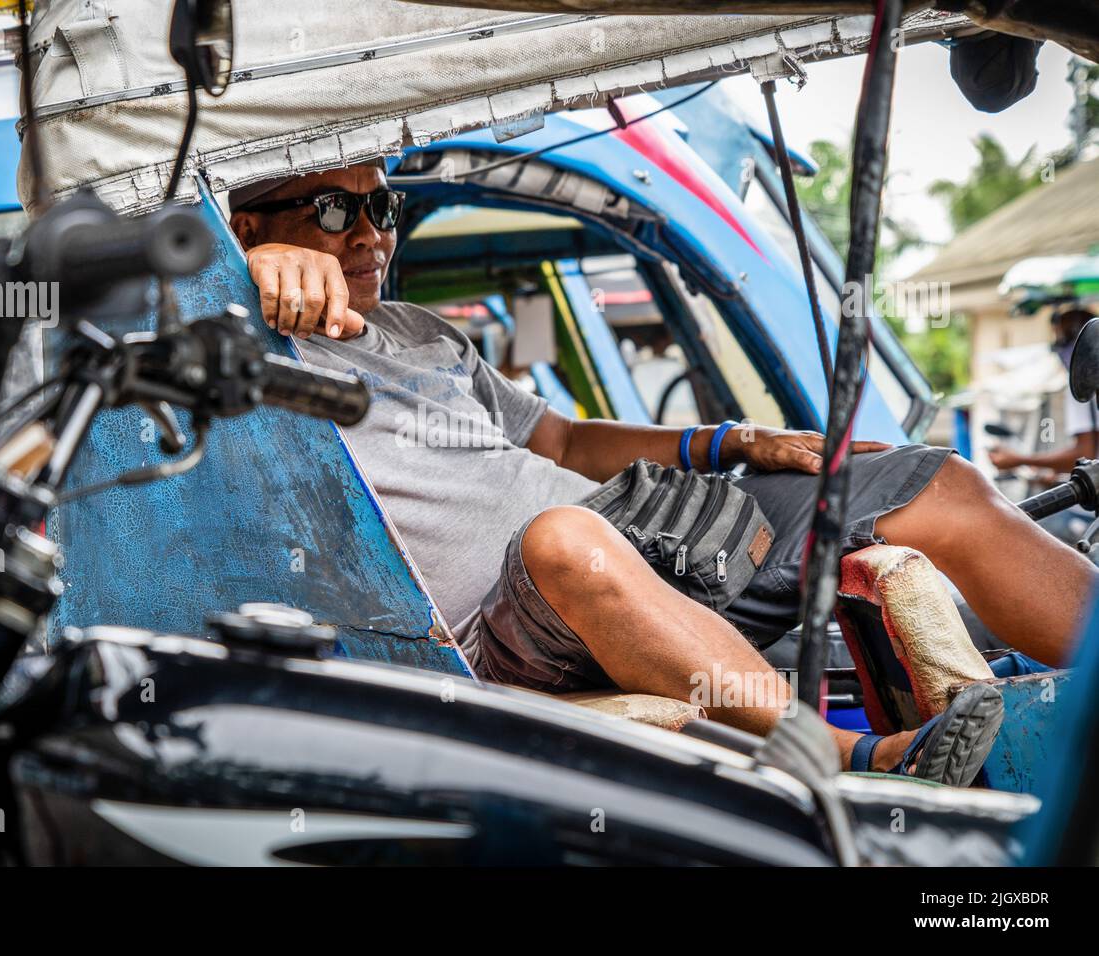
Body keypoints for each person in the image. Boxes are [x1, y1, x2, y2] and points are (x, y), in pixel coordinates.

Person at [228, 161, 1097, 786]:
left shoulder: (423, 332)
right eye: (335, 211)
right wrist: (232, 276)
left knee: (937, 484)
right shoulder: (224, 347)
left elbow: (565, 443)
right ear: (250, 226)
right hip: (515, 627)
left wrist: (731, 440)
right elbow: (124, 302)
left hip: (653, 533)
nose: (375, 233)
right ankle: (854, 760)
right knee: (571, 542)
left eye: (381, 203)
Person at [990, 308, 1099, 477]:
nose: (1058, 349)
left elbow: (1086, 455)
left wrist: (1020, 459)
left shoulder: (1083, 383)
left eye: (1061, 341)